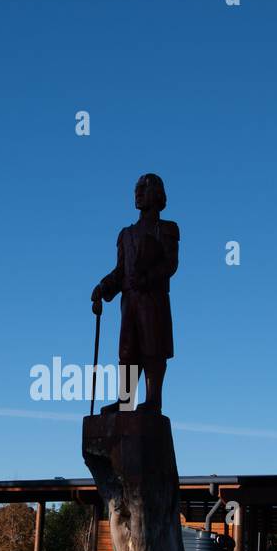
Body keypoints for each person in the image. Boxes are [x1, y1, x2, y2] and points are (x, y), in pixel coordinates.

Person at [90, 173, 179, 413]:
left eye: (144, 188)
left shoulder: (167, 229)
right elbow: (120, 271)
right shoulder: (126, 235)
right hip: (129, 302)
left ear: (158, 194)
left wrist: (147, 278)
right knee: (128, 352)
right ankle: (125, 401)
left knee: (153, 348)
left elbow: (170, 264)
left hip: (153, 300)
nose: (138, 192)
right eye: (136, 188)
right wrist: (103, 287)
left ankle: (153, 400)